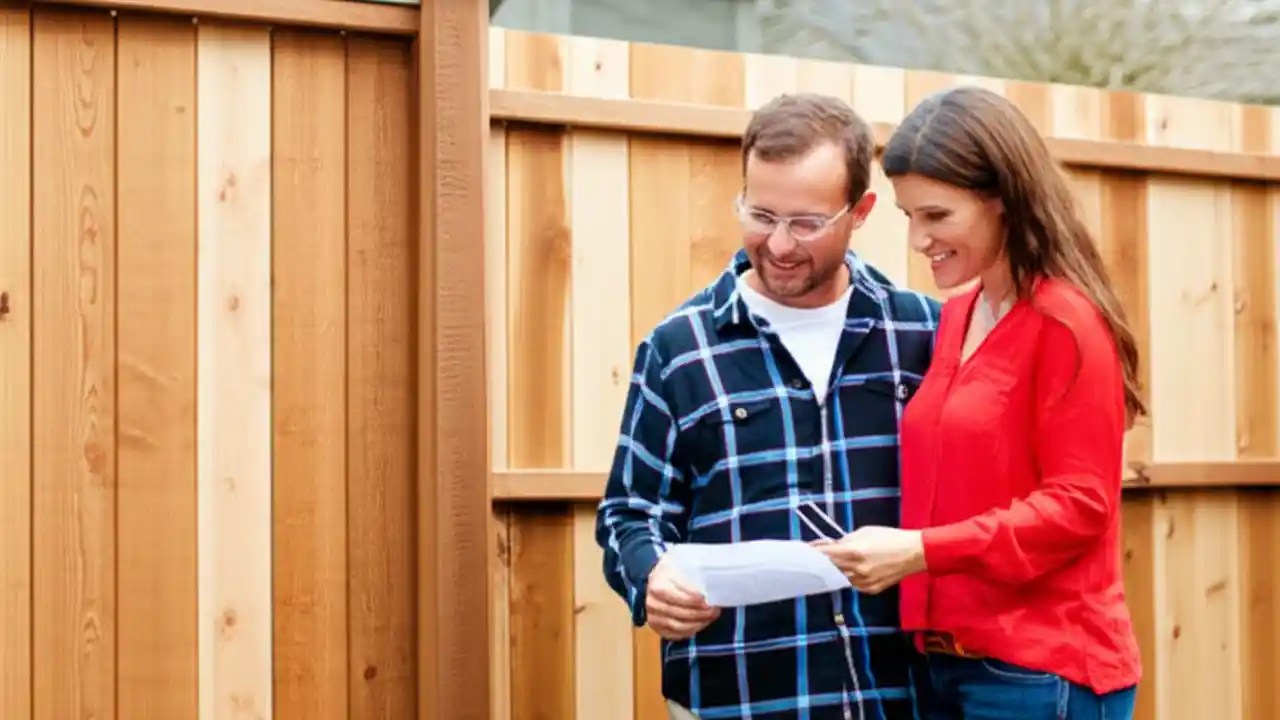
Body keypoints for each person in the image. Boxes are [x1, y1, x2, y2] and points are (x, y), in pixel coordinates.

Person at [595, 92, 943, 720]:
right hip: (741, 699)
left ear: (860, 211)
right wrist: (649, 579)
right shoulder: (679, 350)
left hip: (903, 695)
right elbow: (629, 513)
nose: (779, 244)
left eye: (807, 222)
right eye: (760, 215)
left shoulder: (924, 335)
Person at [813, 85, 1144, 719]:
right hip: (942, 665)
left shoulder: (1066, 325)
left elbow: (1080, 507)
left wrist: (921, 551)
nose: (918, 239)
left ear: (1002, 201)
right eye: (910, 216)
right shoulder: (959, 315)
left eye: (937, 216)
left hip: (1039, 674)